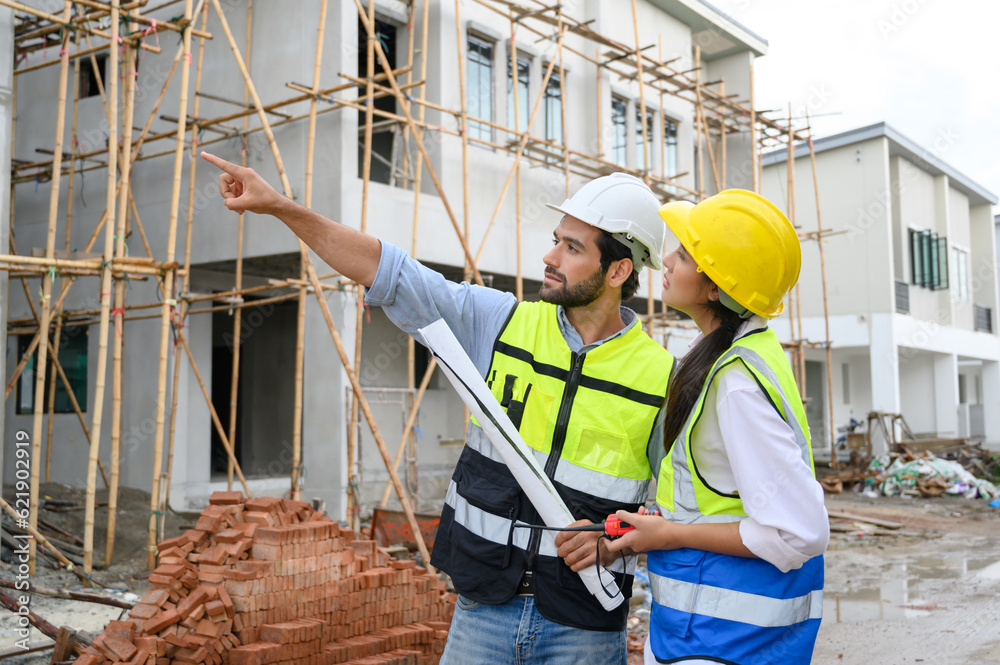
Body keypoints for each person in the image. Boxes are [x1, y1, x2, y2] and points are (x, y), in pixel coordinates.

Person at [200, 151, 676, 665]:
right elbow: (390, 271)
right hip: (483, 608)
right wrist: (280, 207)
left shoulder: (662, 380)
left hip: (582, 627)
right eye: (555, 240)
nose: (551, 257)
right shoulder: (501, 324)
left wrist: (618, 541)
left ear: (618, 269)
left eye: (572, 247)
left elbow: (678, 512)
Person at [604, 190, 830, 664]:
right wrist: (669, 522)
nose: (665, 258)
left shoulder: (735, 384)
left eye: (684, 254)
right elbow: (723, 498)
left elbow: (799, 533)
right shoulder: (743, 355)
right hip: (707, 636)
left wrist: (672, 535)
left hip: (723, 640)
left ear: (715, 288)